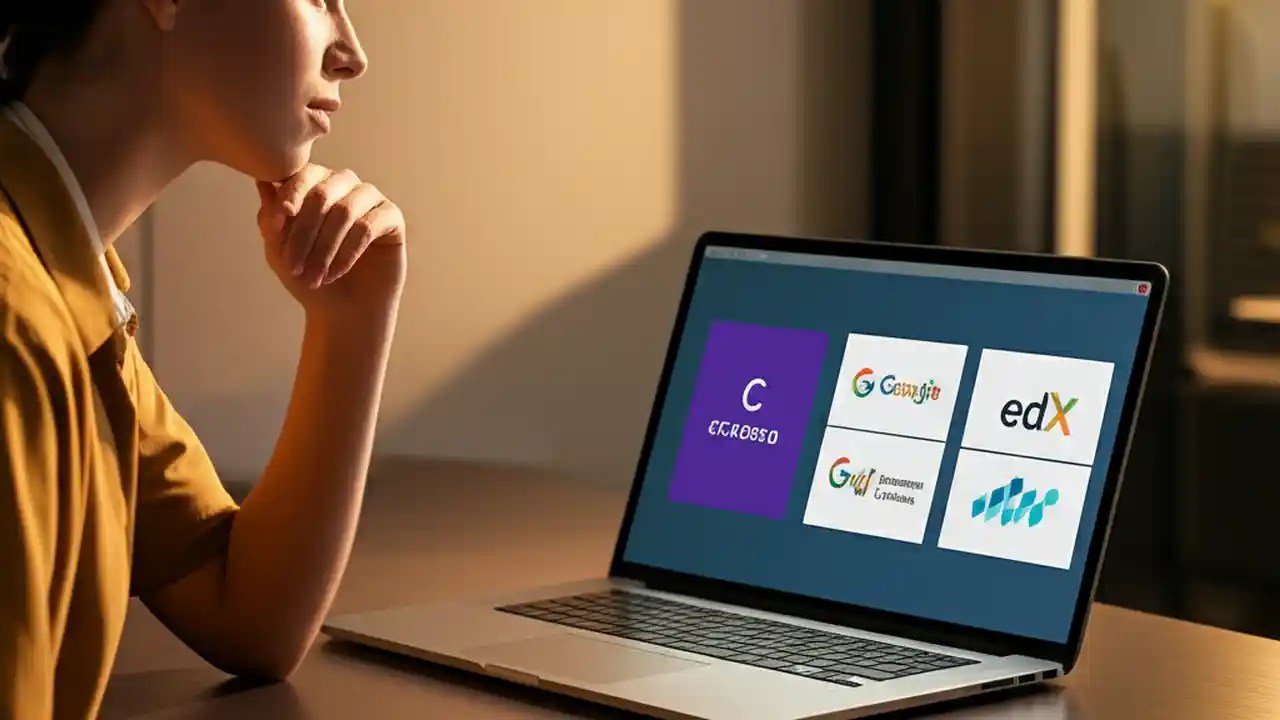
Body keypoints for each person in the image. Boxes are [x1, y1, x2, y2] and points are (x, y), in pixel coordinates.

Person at [0, 2, 407, 717]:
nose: (352, 54)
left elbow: (249, 613)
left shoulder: (61, 282)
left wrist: (352, 320)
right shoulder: (16, 323)